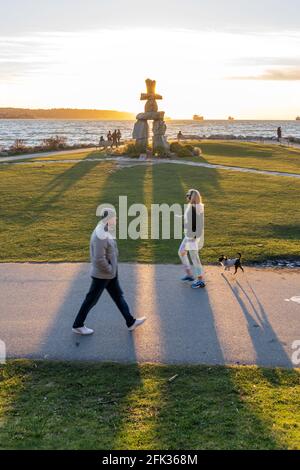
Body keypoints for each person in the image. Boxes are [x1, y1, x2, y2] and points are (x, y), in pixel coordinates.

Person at [72, 207, 147, 335]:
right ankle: (78, 325)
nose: (116, 219)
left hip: (109, 274)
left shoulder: (105, 229)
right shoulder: (100, 235)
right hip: (103, 275)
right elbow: (98, 259)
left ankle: (130, 322)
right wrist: (110, 269)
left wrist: (112, 270)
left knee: (118, 296)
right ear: (109, 219)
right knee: (91, 300)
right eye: (114, 217)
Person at [178, 189, 205, 289]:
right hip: (190, 235)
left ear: (192, 197)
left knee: (194, 257)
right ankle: (189, 274)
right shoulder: (193, 207)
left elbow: (197, 224)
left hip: (192, 236)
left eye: (188, 195)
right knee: (181, 252)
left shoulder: (195, 208)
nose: (187, 197)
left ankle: (200, 280)